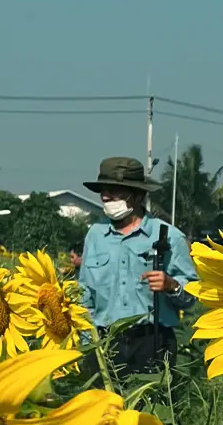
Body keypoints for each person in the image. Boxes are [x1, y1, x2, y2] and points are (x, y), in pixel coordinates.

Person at [77, 155, 196, 376]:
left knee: (150, 408)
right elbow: (84, 293)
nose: (106, 196)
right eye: (104, 190)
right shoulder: (95, 235)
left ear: (138, 195)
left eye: (115, 190)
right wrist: (87, 343)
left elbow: (193, 297)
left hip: (152, 339)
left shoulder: (169, 237)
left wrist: (172, 286)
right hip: (105, 342)